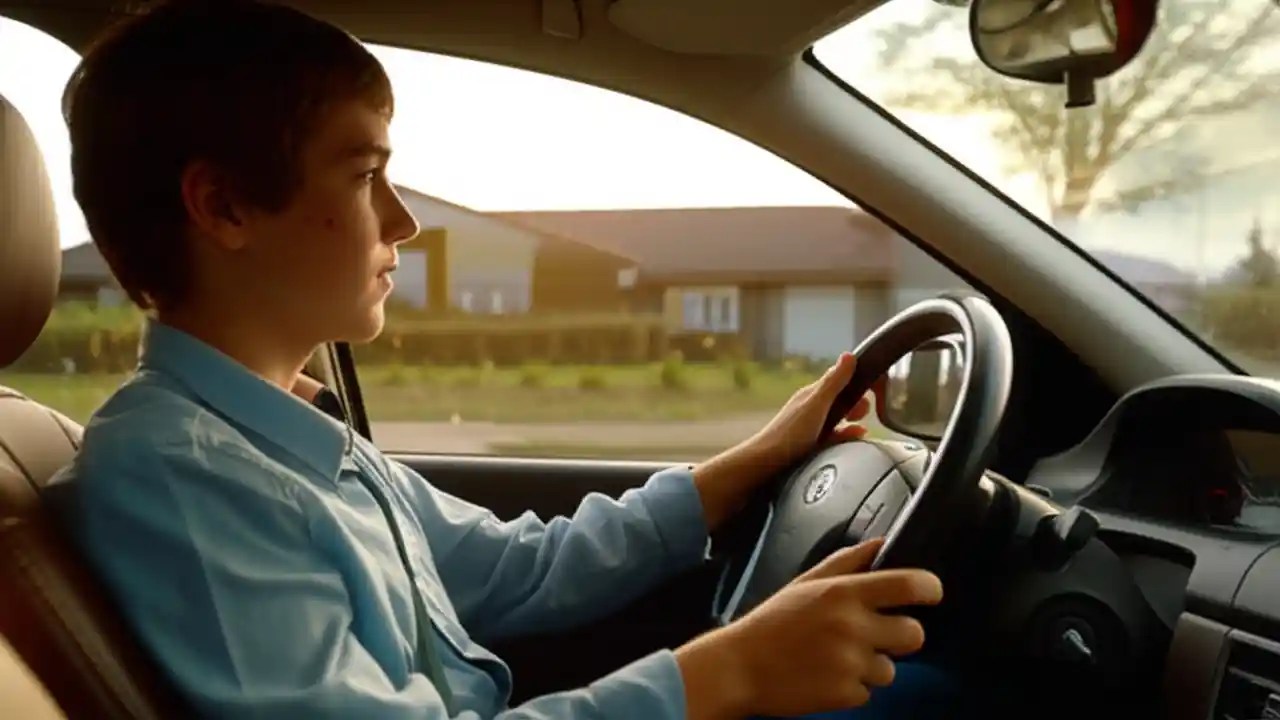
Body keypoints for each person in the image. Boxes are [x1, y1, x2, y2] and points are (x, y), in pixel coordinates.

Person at [49, 1, 953, 718]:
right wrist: (729, 674)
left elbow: (525, 570)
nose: (402, 222)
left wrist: (749, 465)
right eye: (365, 176)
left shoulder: (284, 439)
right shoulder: (181, 474)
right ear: (225, 208)